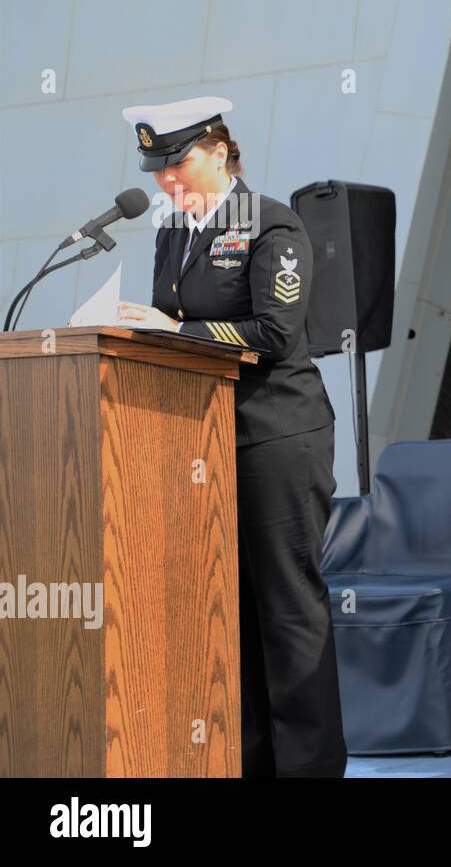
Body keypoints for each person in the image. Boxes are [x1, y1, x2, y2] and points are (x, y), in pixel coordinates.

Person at [116, 97, 347, 777]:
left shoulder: (272, 223)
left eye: (179, 162)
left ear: (221, 152)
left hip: (276, 436)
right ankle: (245, 762)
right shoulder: (171, 234)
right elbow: (172, 321)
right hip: (200, 442)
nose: (167, 180)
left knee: (287, 607)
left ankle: (307, 767)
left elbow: (275, 334)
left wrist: (172, 331)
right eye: (156, 168)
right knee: (227, 611)